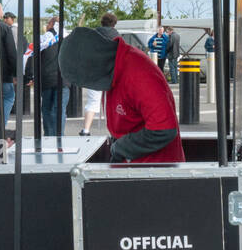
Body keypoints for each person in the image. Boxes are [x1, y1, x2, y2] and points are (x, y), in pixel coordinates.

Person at [60, 25, 184, 162]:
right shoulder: (113, 68)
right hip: (132, 163)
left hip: (155, 170)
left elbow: (163, 129)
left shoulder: (139, 74)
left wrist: (121, 148)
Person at [39, 17, 66, 138]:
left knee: (46, 109)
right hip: (64, 79)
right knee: (59, 109)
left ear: (51, 24)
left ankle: (49, 136)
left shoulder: (43, 38)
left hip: (47, 78)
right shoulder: (67, 38)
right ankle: (59, 137)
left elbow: (35, 57)